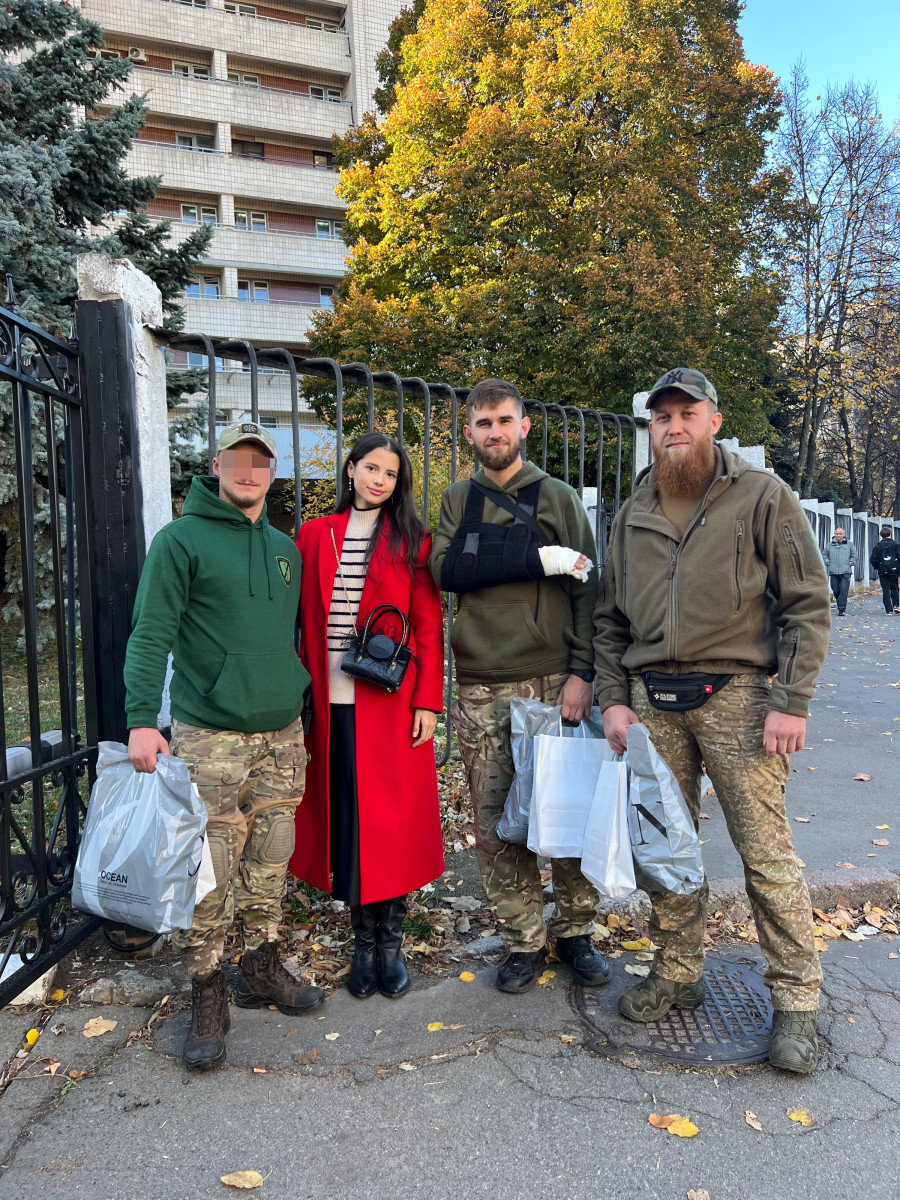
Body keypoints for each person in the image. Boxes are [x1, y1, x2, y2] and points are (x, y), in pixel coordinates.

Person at [593, 368, 831, 1075]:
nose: (673, 426)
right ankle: (679, 969)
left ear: (713, 421)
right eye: (660, 417)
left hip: (739, 697)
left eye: (686, 413)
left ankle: (796, 1002)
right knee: (664, 849)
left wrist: (792, 699)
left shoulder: (761, 496)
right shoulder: (631, 510)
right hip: (650, 700)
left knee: (766, 854)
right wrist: (613, 697)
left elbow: (807, 603)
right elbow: (607, 617)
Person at [124, 421, 322, 1072]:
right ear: (216, 465)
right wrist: (140, 718)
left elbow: (288, 636)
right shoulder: (179, 541)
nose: (248, 469)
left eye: (260, 460)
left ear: (271, 473)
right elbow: (151, 631)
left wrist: (296, 699)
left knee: (270, 859)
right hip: (210, 735)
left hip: (280, 733)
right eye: (237, 458)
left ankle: (260, 965)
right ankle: (207, 988)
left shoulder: (284, 549)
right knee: (208, 871)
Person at [431, 378, 608, 995]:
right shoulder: (457, 500)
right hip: (483, 686)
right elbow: (445, 572)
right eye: (482, 423)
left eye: (504, 421)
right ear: (470, 431)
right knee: (493, 822)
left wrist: (584, 673)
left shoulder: (557, 497)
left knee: (567, 815)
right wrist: (535, 559)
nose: (494, 433)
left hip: (556, 681)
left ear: (524, 426)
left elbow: (589, 590)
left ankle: (575, 932)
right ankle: (522, 940)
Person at [290, 433, 445, 1001]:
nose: (379, 479)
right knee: (349, 826)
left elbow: (428, 627)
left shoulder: (411, 541)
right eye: (371, 468)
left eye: (391, 473)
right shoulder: (314, 536)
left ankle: (391, 944)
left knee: (392, 827)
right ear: (351, 469)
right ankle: (361, 945)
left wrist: (428, 700)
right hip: (329, 707)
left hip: (391, 706)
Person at [821, 527, 857, 616]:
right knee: (836, 590)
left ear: (843, 535)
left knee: (843, 590)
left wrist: (850, 563)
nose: (838, 535)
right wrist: (828, 563)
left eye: (840, 534)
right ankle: (840, 604)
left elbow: (854, 555)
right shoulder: (830, 545)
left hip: (846, 571)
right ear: (834, 534)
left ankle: (842, 609)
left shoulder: (849, 544)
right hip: (833, 572)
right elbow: (824, 554)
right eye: (836, 534)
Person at [870, 524, 900, 616]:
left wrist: (878, 567)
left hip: (882, 570)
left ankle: (888, 610)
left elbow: (873, 559)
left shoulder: (877, 546)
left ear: (881, 535)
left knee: (885, 589)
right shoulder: (896, 545)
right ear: (890, 534)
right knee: (894, 587)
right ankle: (896, 606)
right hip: (894, 569)